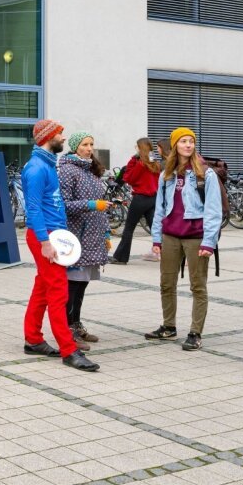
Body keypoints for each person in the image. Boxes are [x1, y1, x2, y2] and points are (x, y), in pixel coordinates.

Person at [22, 119, 99, 372]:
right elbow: (32, 208)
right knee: (58, 292)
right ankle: (69, 350)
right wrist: (45, 241)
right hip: (46, 236)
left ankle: (33, 339)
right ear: (48, 137)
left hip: (52, 234)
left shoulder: (46, 164)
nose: (63, 138)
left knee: (43, 287)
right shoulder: (36, 169)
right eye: (60, 134)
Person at [145, 127, 223, 351]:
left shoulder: (205, 174)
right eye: (183, 142)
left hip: (195, 237)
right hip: (170, 235)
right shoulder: (166, 174)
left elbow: (213, 210)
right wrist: (156, 239)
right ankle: (168, 326)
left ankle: (195, 332)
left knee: (198, 286)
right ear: (175, 146)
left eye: (191, 141)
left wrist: (209, 241)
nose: (188, 145)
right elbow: (159, 208)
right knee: (166, 283)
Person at [58, 131, 111, 348]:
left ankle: (76, 324)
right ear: (74, 147)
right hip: (76, 236)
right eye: (84, 144)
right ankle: (67, 329)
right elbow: (63, 205)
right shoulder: (67, 170)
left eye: (91, 144)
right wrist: (90, 205)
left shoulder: (92, 170)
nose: (89, 148)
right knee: (72, 285)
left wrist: (106, 232)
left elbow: (101, 204)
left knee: (82, 284)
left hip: (93, 236)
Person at [112, 137, 161, 265]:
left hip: (140, 198)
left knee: (129, 228)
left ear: (140, 148)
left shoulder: (139, 163)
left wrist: (133, 159)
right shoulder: (154, 162)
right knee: (155, 228)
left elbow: (129, 178)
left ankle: (120, 257)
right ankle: (170, 255)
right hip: (153, 198)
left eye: (137, 146)